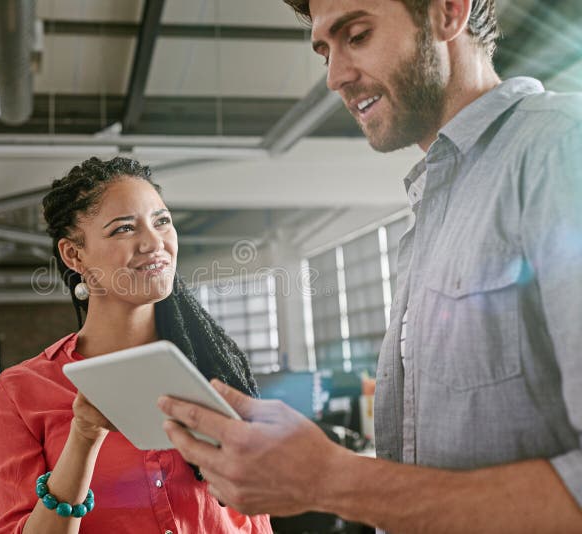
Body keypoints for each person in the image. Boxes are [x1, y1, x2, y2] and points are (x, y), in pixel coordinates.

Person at [159, 0, 582, 532]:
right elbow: (432, 477)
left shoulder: (562, 150)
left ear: (448, 13)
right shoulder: (432, 211)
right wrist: (302, 459)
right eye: (324, 52)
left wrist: (329, 480)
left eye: (356, 35)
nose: (335, 76)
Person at [0, 156, 272, 534]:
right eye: (123, 229)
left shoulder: (215, 366)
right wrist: (84, 437)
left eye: (162, 221)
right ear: (74, 254)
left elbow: (253, 520)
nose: (154, 243)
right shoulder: (20, 393)